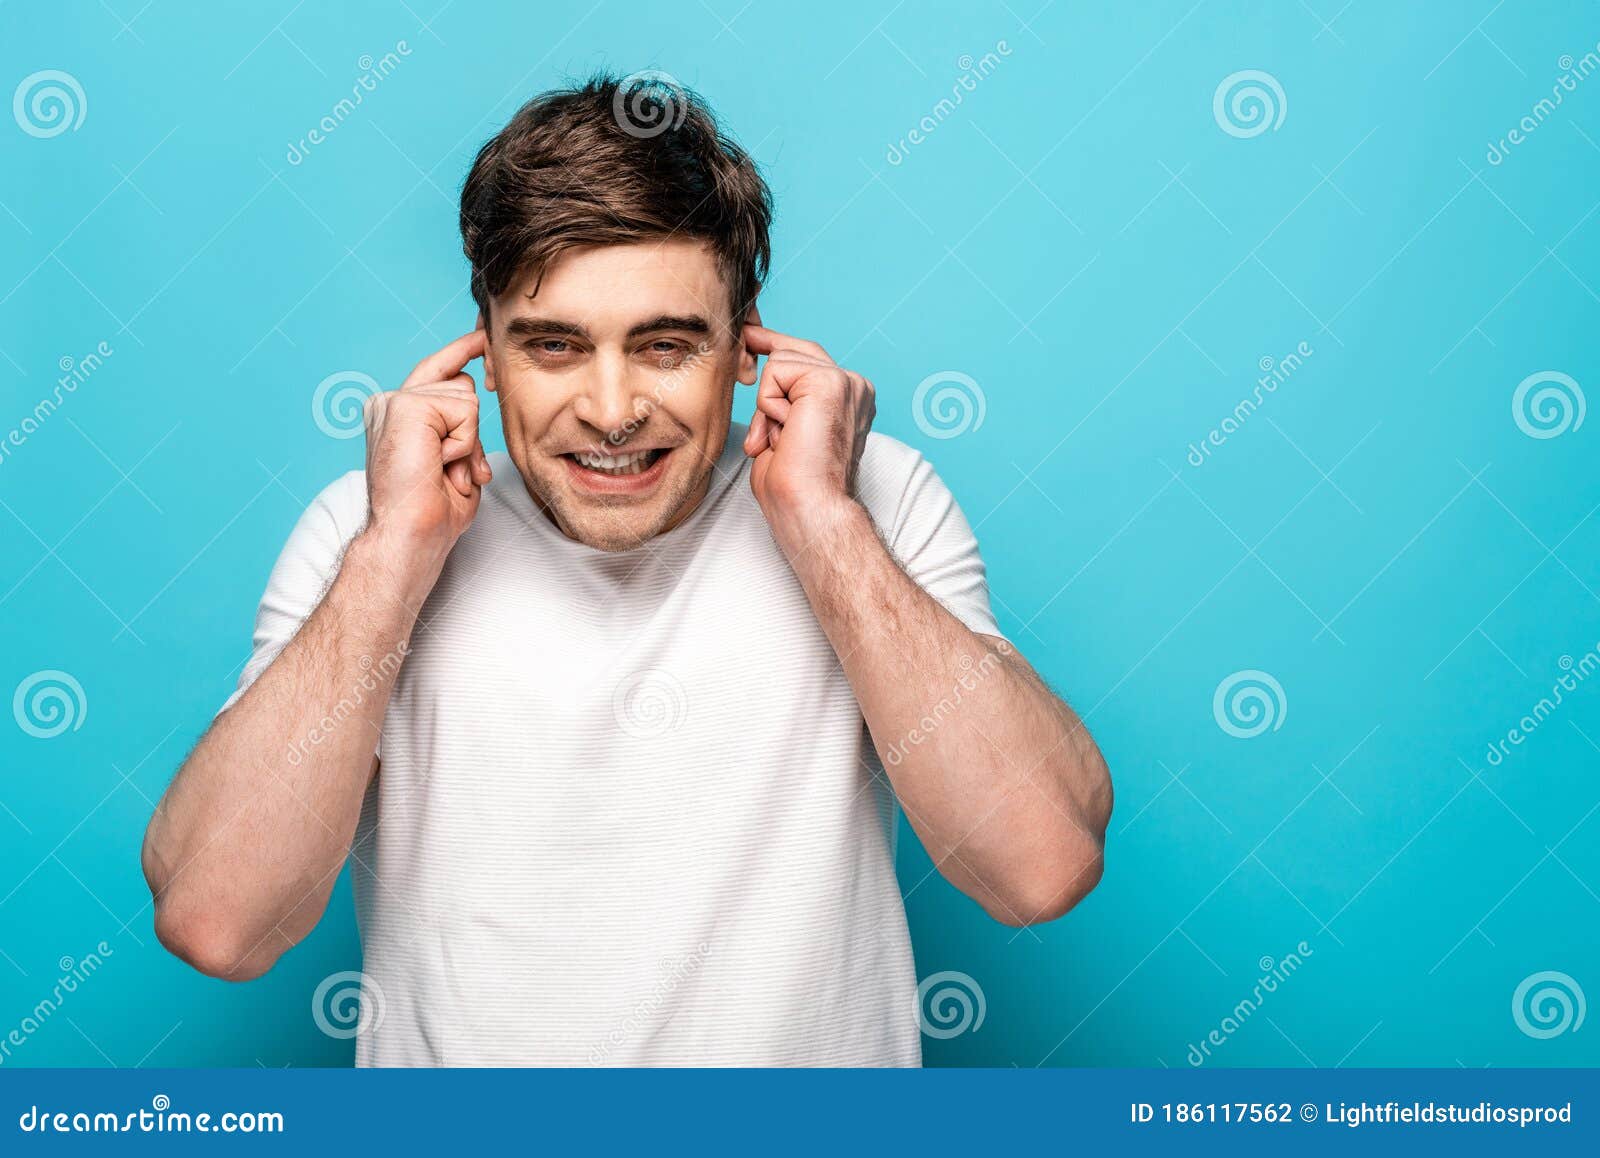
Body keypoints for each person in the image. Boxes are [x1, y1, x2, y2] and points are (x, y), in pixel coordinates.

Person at [141, 74, 1112, 1066]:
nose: (612, 410)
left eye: (664, 344)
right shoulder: (372, 531)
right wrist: (393, 557)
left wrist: (823, 524)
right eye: (554, 346)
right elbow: (221, 921)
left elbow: (1037, 867)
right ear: (484, 350)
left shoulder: (873, 498)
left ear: (746, 346)